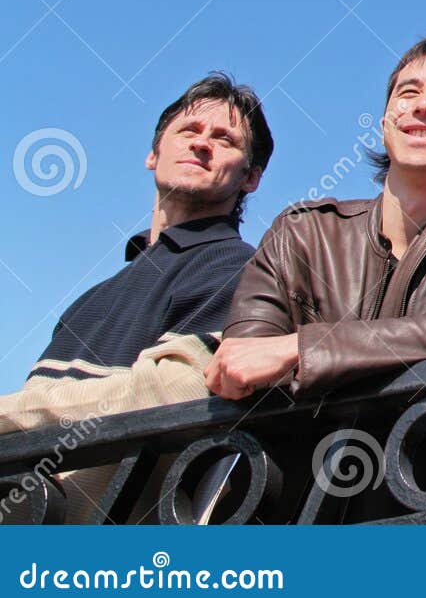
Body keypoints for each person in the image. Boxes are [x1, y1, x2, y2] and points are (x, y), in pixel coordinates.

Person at [212, 32, 426, 519]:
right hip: (275, 512)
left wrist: (300, 350)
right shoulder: (301, 231)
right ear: (386, 122)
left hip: (409, 513)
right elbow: (242, 366)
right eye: (407, 92)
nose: (424, 106)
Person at [0, 73, 273, 524]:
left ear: (252, 178)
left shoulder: (241, 270)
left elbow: (175, 391)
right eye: (189, 131)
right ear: (153, 155)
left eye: (224, 139)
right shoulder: (93, 296)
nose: (202, 143)